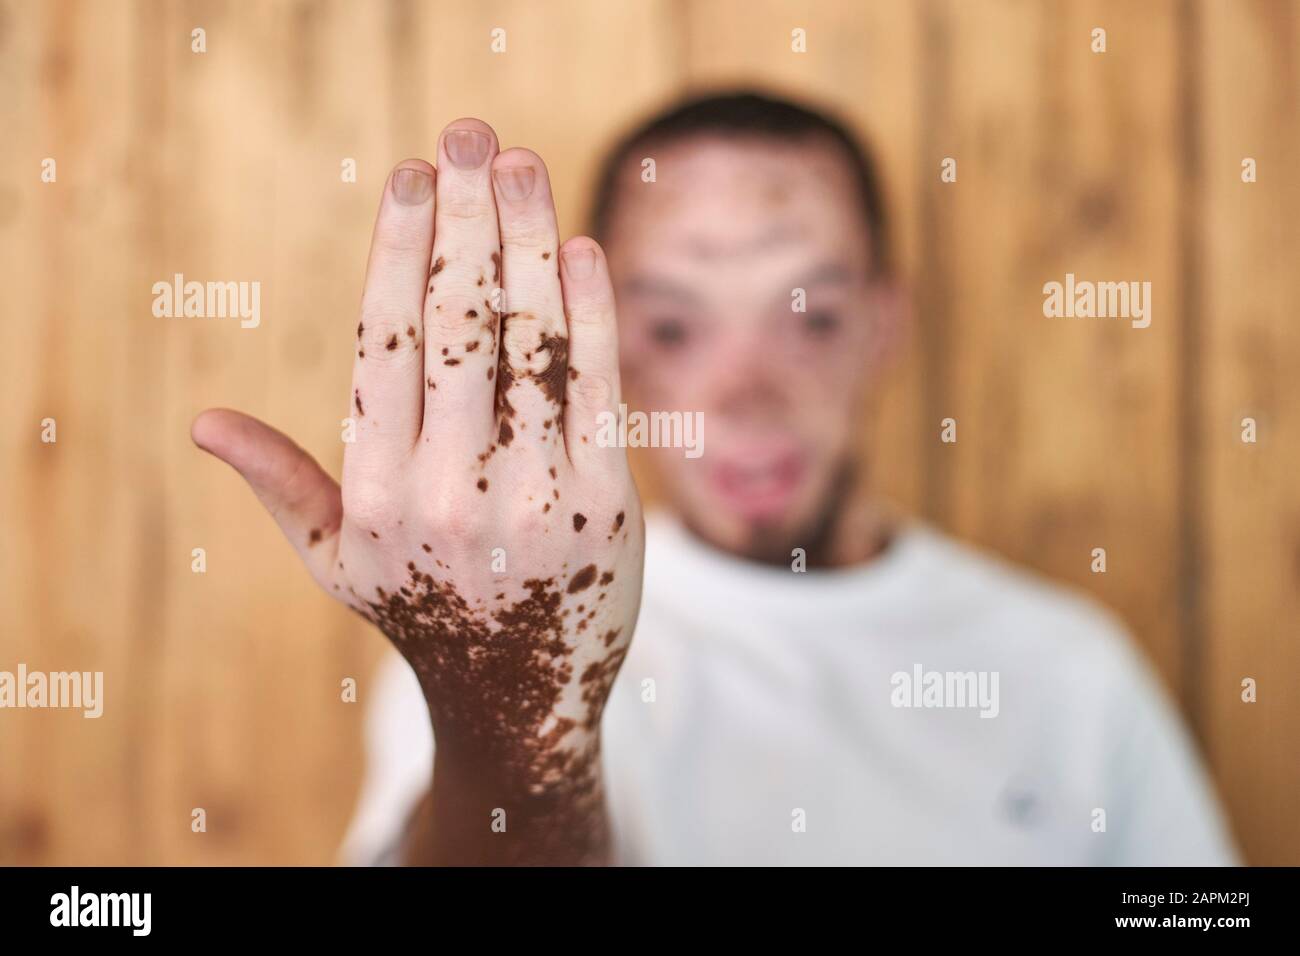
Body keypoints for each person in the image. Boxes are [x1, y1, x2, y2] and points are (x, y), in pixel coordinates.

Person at [193, 91, 1239, 866]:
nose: (744, 393)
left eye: (810, 314)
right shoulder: (508, 622)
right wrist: (510, 718)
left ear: (884, 325)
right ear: (601, 349)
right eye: (673, 324)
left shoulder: (1069, 668)